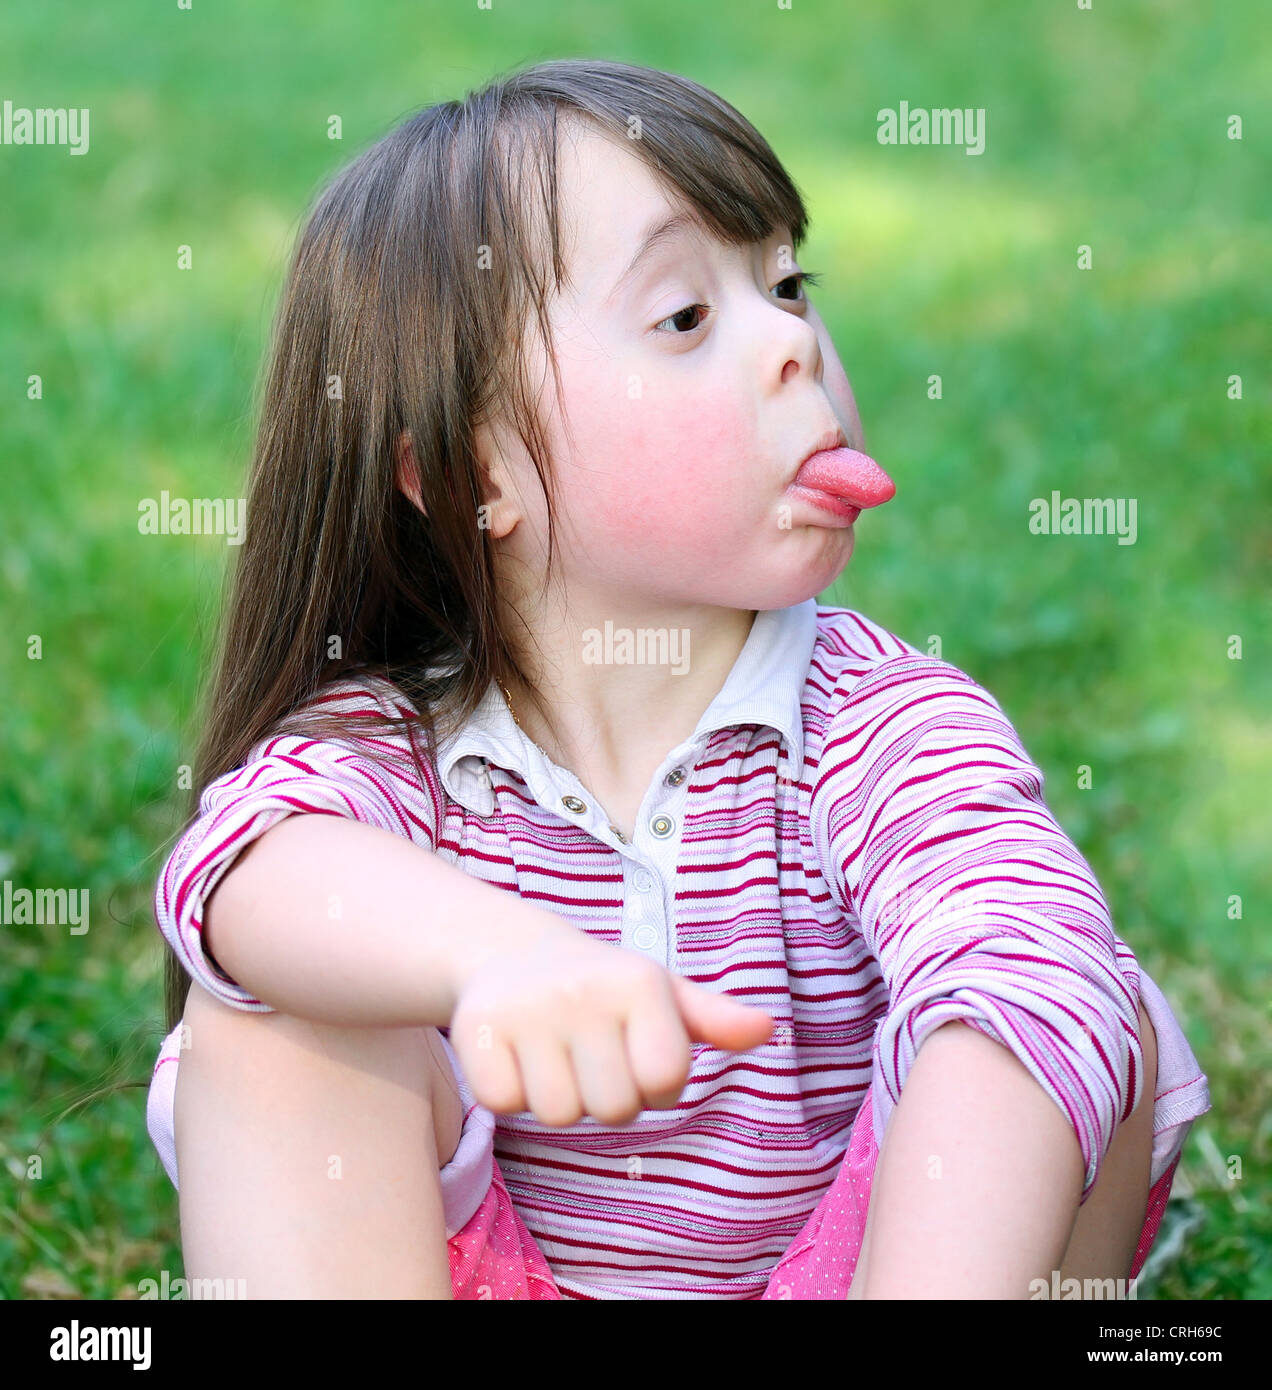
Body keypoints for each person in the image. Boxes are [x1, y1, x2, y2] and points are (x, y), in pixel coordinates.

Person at [145, 57, 1210, 1300]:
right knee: (277, 1016)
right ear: (474, 475)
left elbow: (1023, 946)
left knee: (1068, 1000)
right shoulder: (399, 751)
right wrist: (495, 950)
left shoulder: (880, 723)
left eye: (788, 283)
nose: (793, 343)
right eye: (687, 317)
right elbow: (245, 872)